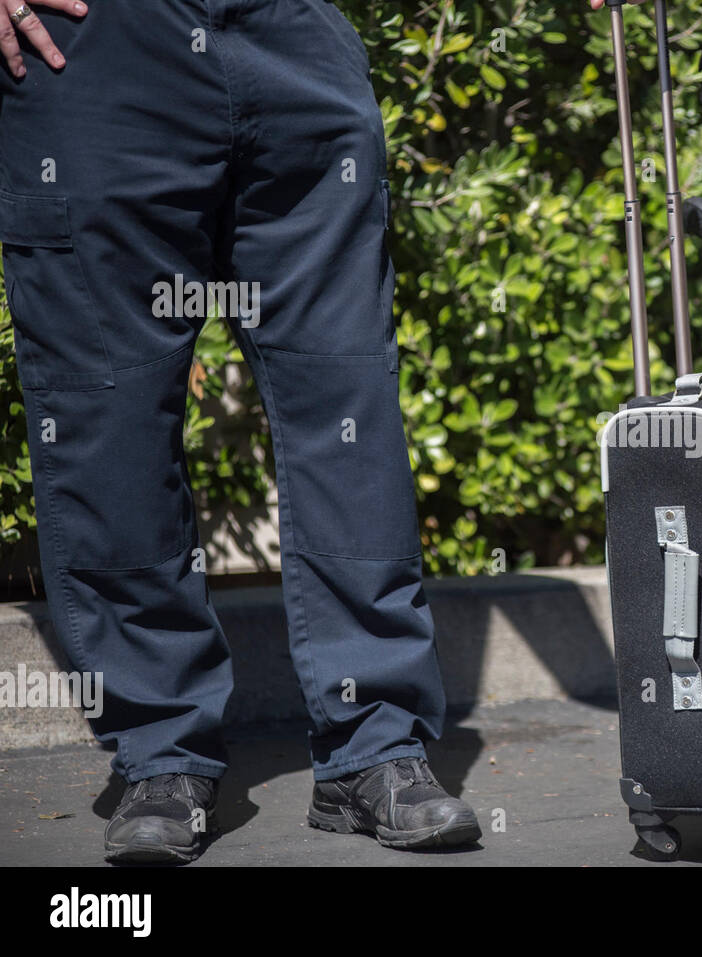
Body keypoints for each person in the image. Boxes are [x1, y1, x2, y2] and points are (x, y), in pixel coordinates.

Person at [0, 0, 480, 862]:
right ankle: (162, 751)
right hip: (94, 48)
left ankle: (374, 742)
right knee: (109, 419)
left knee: (347, 404)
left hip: (295, 36)